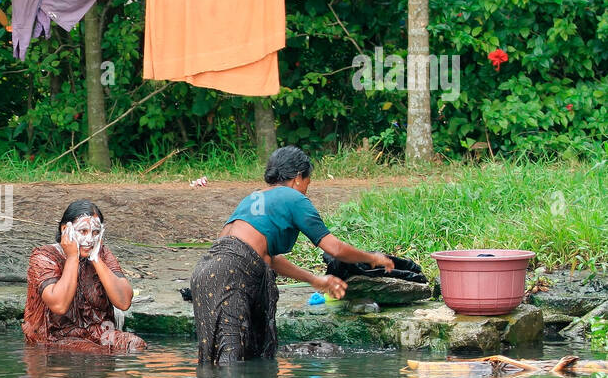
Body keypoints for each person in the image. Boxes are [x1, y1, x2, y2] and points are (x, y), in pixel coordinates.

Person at [190, 146, 395, 364]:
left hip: (205, 272)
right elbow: (334, 248)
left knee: (213, 361)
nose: (307, 188)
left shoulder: (253, 198)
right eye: (308, 181)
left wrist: (315, 280)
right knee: (231, 367)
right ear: (298, 177)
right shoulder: (293, 198)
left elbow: (265, 258)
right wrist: (372, 258)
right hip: (231, 275)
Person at [23, 200, 146, 354]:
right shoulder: (43, 257)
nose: (89, 240)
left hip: (99, 334)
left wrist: (96, 259)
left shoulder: (102, 254)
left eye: (95, 233)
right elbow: (59, 305)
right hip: (52, 340)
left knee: (135, 345)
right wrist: (72, 257)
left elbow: (123, 302)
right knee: (92, 354)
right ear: (64, 229)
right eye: (83, 231)